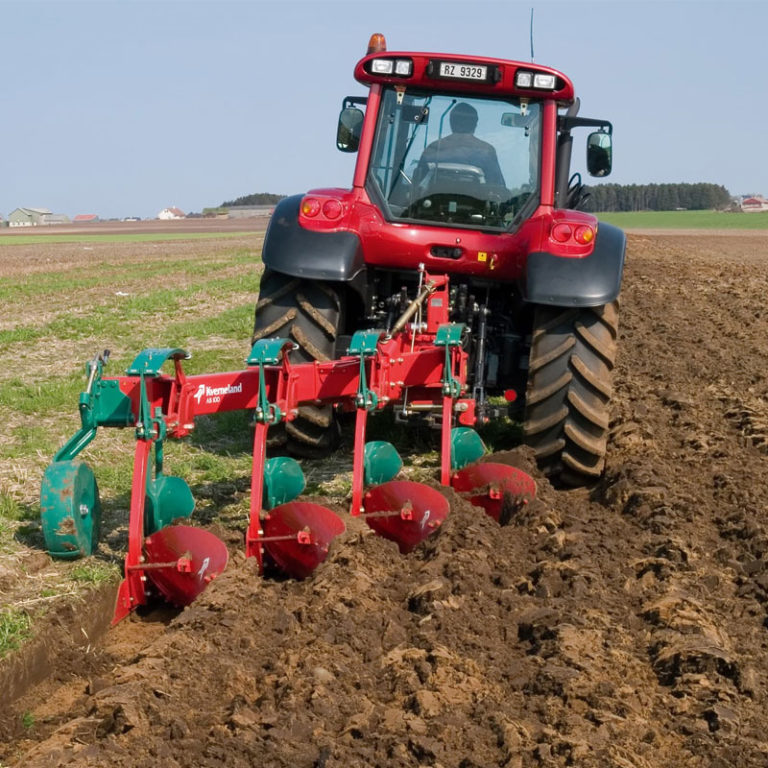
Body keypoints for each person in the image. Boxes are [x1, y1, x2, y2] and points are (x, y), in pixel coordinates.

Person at [413, 102, 506, 189]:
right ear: (475, 124)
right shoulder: (487, 151)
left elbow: (416, 186)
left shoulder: (432, 149)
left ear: (451, 122)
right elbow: (497, 187)